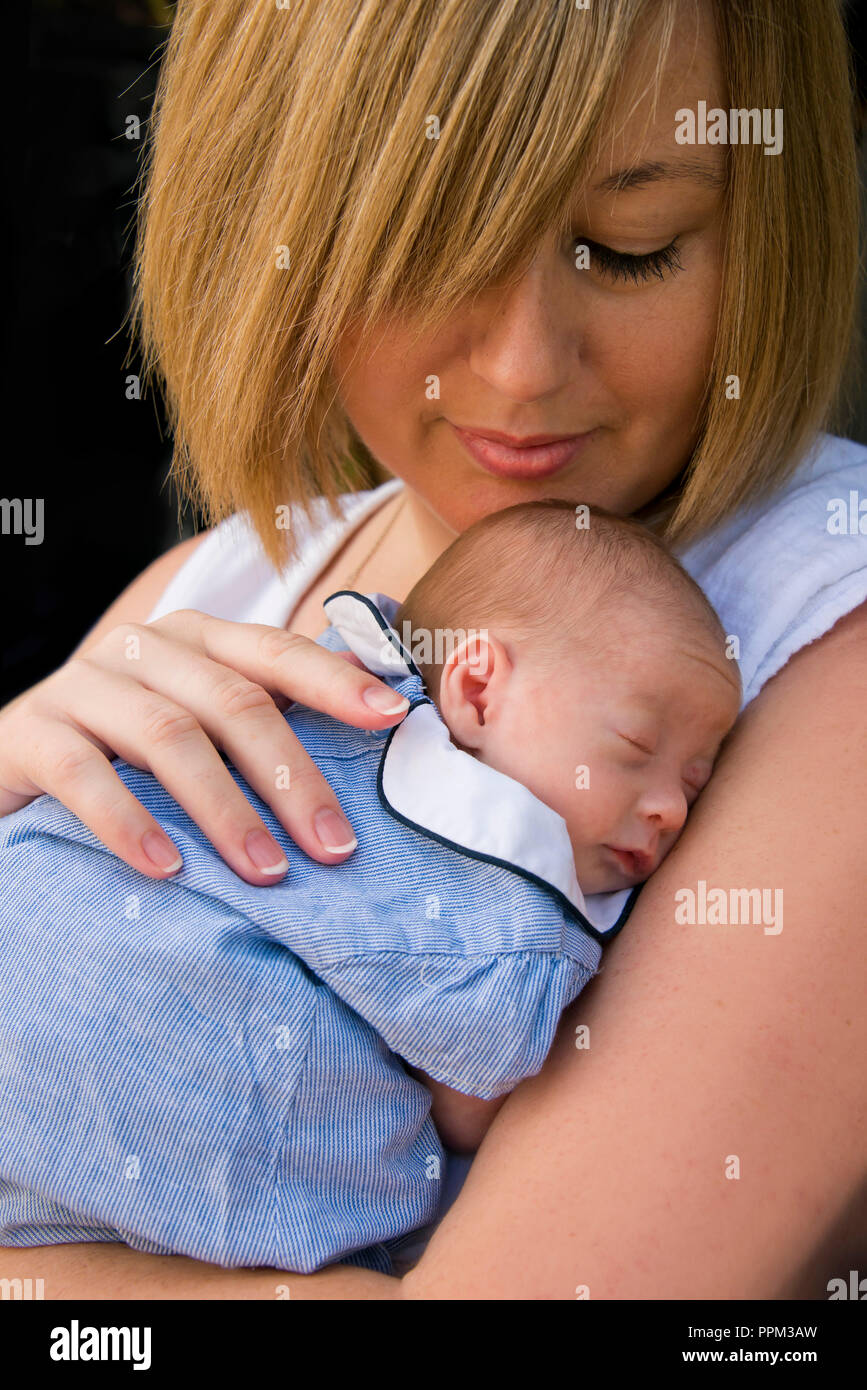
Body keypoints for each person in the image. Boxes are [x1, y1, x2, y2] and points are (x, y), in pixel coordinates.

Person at [1, 0, 865, 1298]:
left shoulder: (826, 642)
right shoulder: (214, 582)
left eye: (628, 248)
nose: (520, 369)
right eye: (428, 244)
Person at [0, 503, 740, 1275]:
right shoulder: (502, 889)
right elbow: (466, 1095)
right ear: (477, 689)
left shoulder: (309, 675)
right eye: (634, 748)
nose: (671, 807)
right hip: (173, 1142)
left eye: (696, 781)